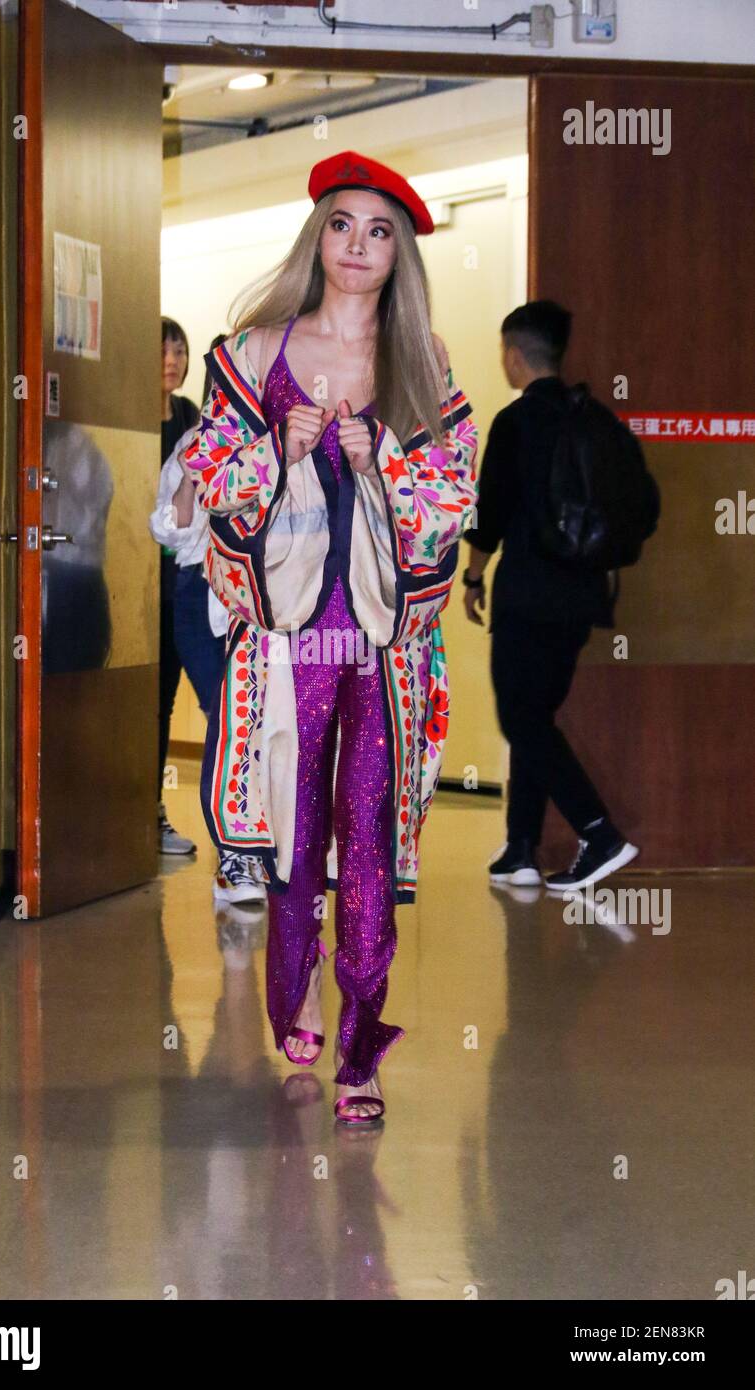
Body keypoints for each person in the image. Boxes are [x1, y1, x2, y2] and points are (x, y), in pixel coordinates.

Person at [179, 150, 478, 1123]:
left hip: (386, 650)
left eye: (378, 230)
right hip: (286, 642)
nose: (357, 246)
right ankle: (293, 998)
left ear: (399, 253)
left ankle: (360, 1045)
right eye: (342, 225)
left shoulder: (421, 360)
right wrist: (279, 448)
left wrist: (381, 456)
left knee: (371, 834)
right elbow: (206, 482)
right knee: (290, 829)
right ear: (318, 236)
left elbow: (450, 496)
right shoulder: (255, 349)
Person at [463, 300, 639, 892]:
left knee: (521, 717)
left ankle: (598, 831)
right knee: (533, 716)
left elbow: (490, 513)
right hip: (581, 597)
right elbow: (644, 503)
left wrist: (472, 576)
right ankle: (521, 848)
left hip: (528, 594)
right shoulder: (595, 418)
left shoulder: (516, 423)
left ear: (514, 355)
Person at [152, 326, 266, 905]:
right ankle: (235, 858)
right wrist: (195, 477)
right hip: (203, 597)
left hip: (271, 602)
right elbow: (168, 529)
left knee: (269, 727)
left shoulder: (286, 440)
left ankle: (270, 848)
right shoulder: (195, 441)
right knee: (228, 725)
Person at [157, 318, 200, 855]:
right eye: (162, 349)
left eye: (179, 350)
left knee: (176, 699)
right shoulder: (129, 418)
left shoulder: (190, 417)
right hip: (138, 583)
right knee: (150, 702)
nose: (171, 358)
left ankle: (156, 811)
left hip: (186, 583)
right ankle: (147, 810)